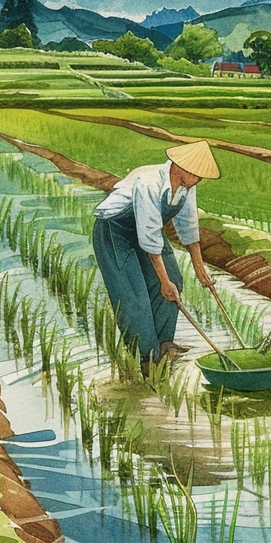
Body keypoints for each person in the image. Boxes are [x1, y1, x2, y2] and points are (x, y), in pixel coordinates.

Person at [93, 141, 220, 376]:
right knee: (134, 296)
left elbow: (188, 226)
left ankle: (163, 344)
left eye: (202, 176)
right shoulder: (149, 182)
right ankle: (146, 359)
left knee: (174, 279)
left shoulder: (186, 186)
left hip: (146, 231)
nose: (198, 180)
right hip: (115, 232)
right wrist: (163, 283)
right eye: (196, 174)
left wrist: (200, 269)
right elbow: (150, 237)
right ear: (180, 166)